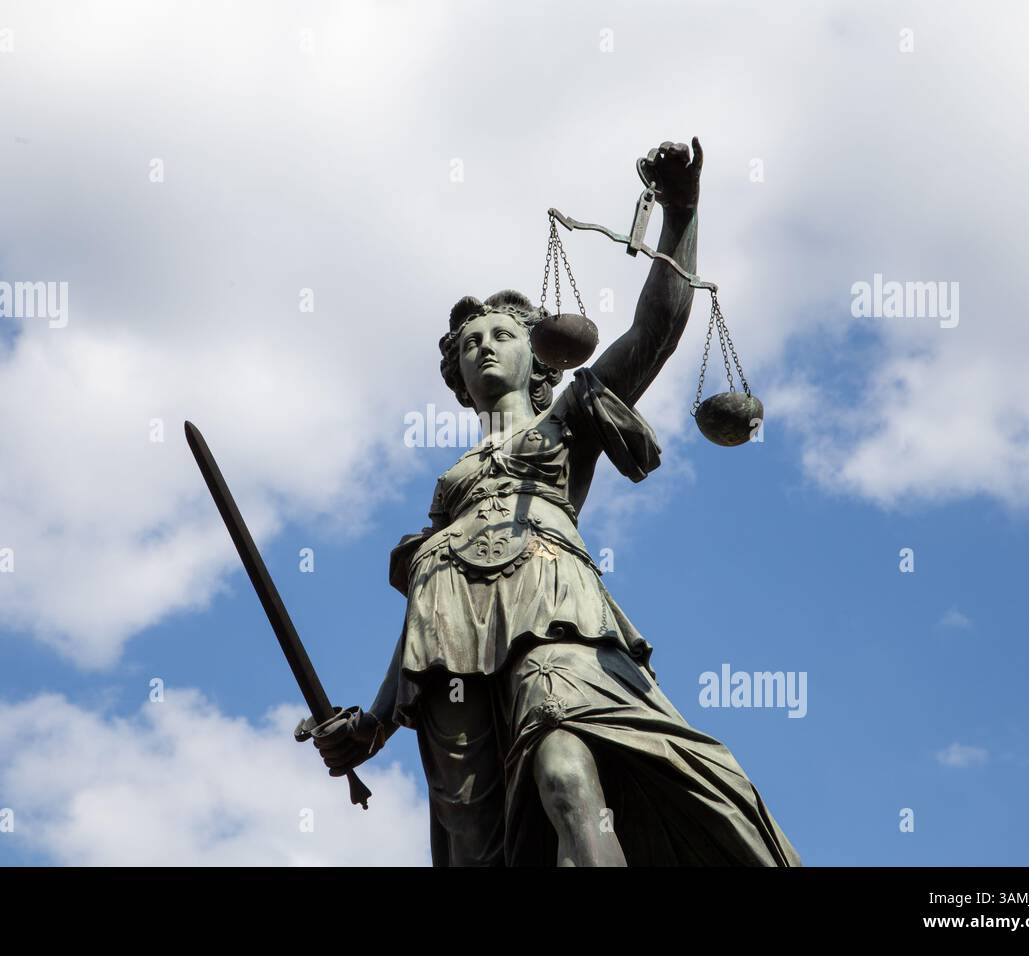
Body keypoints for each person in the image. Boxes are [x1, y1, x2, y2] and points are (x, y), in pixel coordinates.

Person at [296, 139, 801, 867]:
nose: (483, 348)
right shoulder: (449, 494)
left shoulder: (569, 419)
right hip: (452, 658)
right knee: (481, 848)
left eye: (502, 336)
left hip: (556, 615)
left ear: (539, 356)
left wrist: (681, 212)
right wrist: (373, 725)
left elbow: (656, 331)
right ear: (456, 373)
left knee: (567, 771)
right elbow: (423, 624)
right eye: (469, 344)